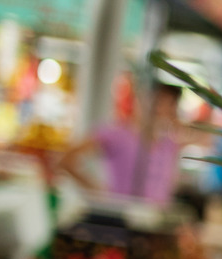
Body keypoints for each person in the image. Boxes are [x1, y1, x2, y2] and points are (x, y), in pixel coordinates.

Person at [58, 81, 186, 205]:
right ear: (142, 98)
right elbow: (67, 160)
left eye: (169, 103)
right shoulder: (117, 133)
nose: (161, 108)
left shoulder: (170, 142)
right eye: (158, 100)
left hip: (156, 220)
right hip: (121, 217)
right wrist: (98, 192)